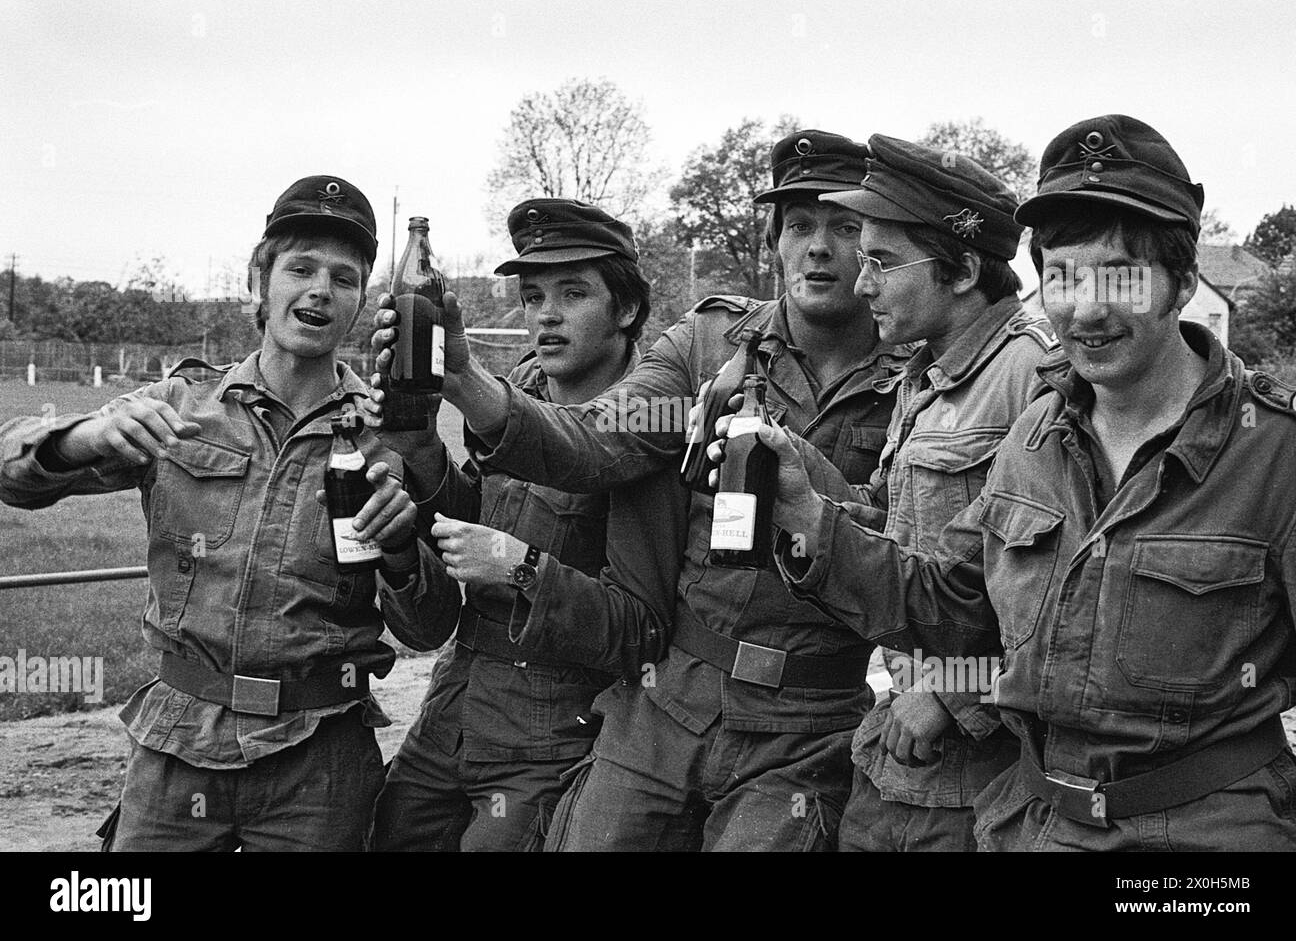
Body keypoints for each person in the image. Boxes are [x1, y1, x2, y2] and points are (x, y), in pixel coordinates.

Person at [750, 115, 1296, 850]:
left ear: (1184, 282)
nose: (1086, 308)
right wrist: (808, 516)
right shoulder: (1035, 438)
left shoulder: (1276, 454)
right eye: (1066, 277)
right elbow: (952, 609)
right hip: (1029, 824)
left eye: (1120, 277)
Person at [382, 130, 913, 850]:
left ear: (875, 248)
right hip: (668, 705)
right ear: (774, 241)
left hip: (807, 720)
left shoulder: (918, 385)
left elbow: (915, 560)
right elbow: (599, 437)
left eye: (844, 226)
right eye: (798, 225)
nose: (818, 246)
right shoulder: (706, 348)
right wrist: (467, 381)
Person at [0, 175, 432, 851]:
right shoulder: (181, 406)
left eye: (344, 278)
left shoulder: (387, 436)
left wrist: (402, 550)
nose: (321, 288)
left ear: (360, 304)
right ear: (260, 277)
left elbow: (430, 626)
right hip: (177, 748)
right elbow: (14, 480)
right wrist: (77, 438)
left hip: (321, 762)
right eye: (301, 267)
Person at [363, 198, 687, 851]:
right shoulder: (521, 396)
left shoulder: (644, 434)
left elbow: (642, 633)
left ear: (625, 310)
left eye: (572, 293)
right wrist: (421, 449)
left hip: (548, 738)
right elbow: (469, 524)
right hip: (449, 716)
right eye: (533, 293)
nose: (545, 312)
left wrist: (523, 568)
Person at [788, 135, 1057, 851]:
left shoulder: (1033, 380)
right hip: (904, 757)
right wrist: (799, 490)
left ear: (964, 268)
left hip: (983, 773)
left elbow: (1068, 597)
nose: (860, 284)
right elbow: (901, 528)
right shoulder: (926, 375)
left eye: (881, 261)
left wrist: (950, 692)